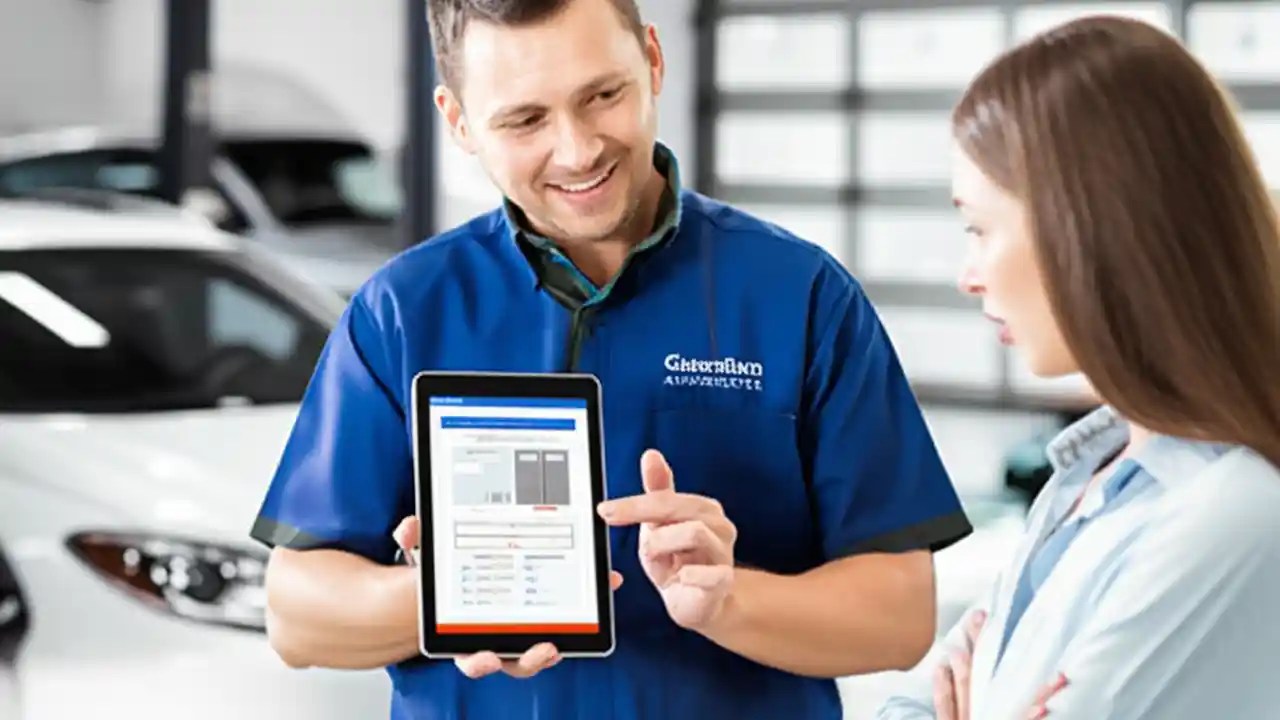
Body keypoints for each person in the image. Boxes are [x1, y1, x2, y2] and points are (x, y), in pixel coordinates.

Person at [249, 0, 973, 718]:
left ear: (652, 61)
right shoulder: (403, 311)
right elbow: (297, 615)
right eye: (525, 120)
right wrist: (460, 594)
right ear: (459, 120)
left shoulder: (800, 295)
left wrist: (729, 601)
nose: (577, 151)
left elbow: (900, 615)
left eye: (602, 95)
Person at [875, 15, 1280, 720]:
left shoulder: (1232, 511)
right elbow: (909, 702)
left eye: (979, 228)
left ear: (1088, 230)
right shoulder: (1088, 475)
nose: (968, 275)